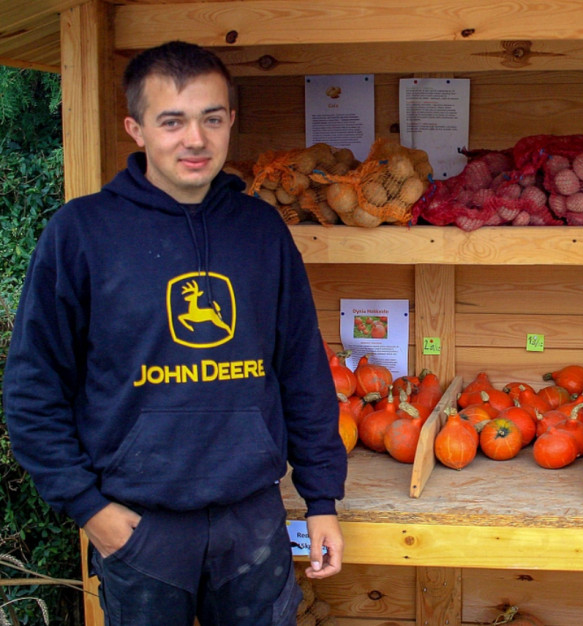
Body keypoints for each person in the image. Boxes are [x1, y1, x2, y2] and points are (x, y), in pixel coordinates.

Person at [3, 40, 347, 625]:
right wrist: (90, 510)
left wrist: (321, 502)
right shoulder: (81, 234)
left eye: (212, 118)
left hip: (252, 522)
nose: (196, 139)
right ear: (136, 128)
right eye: (173, 121)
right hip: (141, 528)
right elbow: (33, 391)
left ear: (231, 121)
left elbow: (302, 370)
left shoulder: (262, 231)